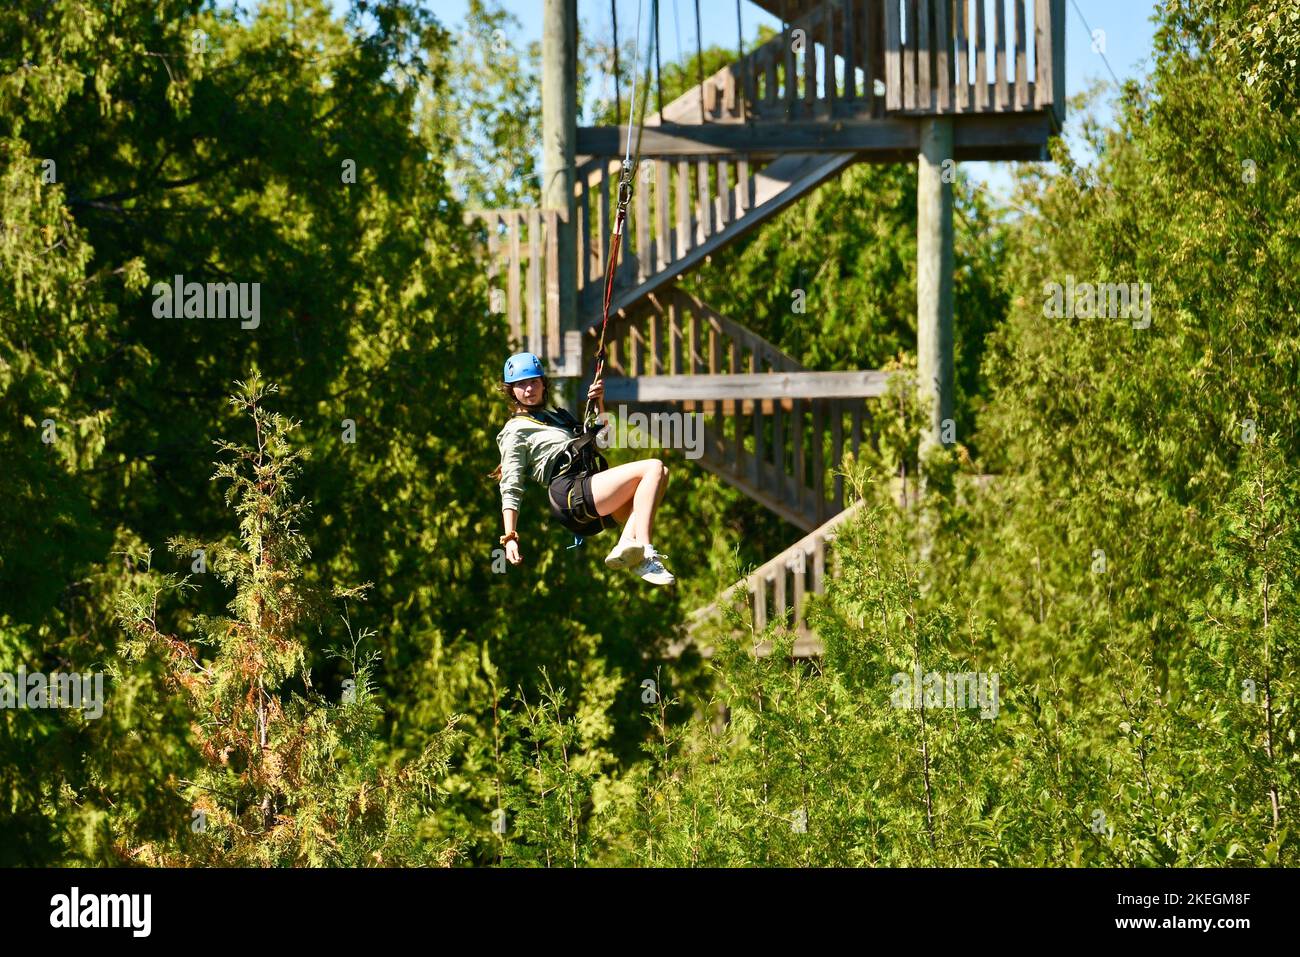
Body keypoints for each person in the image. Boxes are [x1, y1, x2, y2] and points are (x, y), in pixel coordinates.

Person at [489, 351, 675, 585]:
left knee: (661, 475)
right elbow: (511, 485)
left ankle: (629, 541)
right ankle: (646, 553)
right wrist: (510, 537)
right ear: (511, 391)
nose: (529, 389)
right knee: (654, 467)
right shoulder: (515, 430)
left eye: (534, 381)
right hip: (568, 492)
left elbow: (603, 442)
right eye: (521, 384)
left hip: (585, 488)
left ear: (543, 384)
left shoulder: (556, 418)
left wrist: (599, 404)